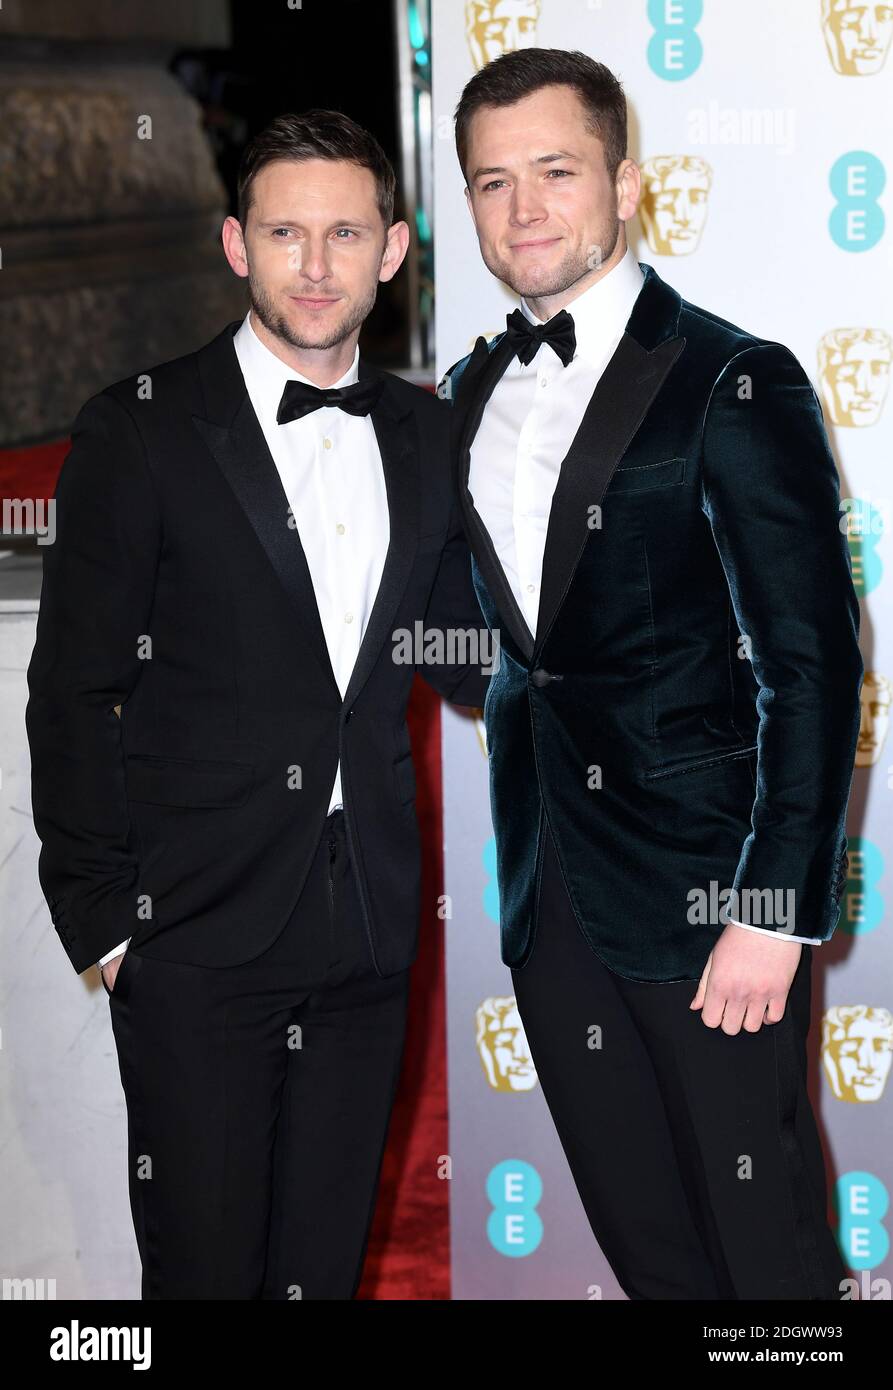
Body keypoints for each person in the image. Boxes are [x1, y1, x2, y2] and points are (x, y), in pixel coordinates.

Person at [26, 109, 489, 1300]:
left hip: (367, 926)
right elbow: (75, 690)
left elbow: (466, 650)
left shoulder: (426, 432)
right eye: (286, 232)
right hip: (193, 935)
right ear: (238, 245)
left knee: (320, 1269)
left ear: (393, 251)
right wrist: (112, 928)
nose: (317, 265)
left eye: (346, 233)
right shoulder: (138, 428)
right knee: (207, 1271)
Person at [439, 48, 862, 1300]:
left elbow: (811, 666)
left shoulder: (733, 379)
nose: (523, 210)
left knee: (764, 1259)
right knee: (651, 1256)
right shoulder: (465, 392)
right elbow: (507, 648)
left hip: (706, 901)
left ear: (627, 185)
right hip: (548, 897)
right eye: (492, 181)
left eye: (555, 171)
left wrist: (769, 910)